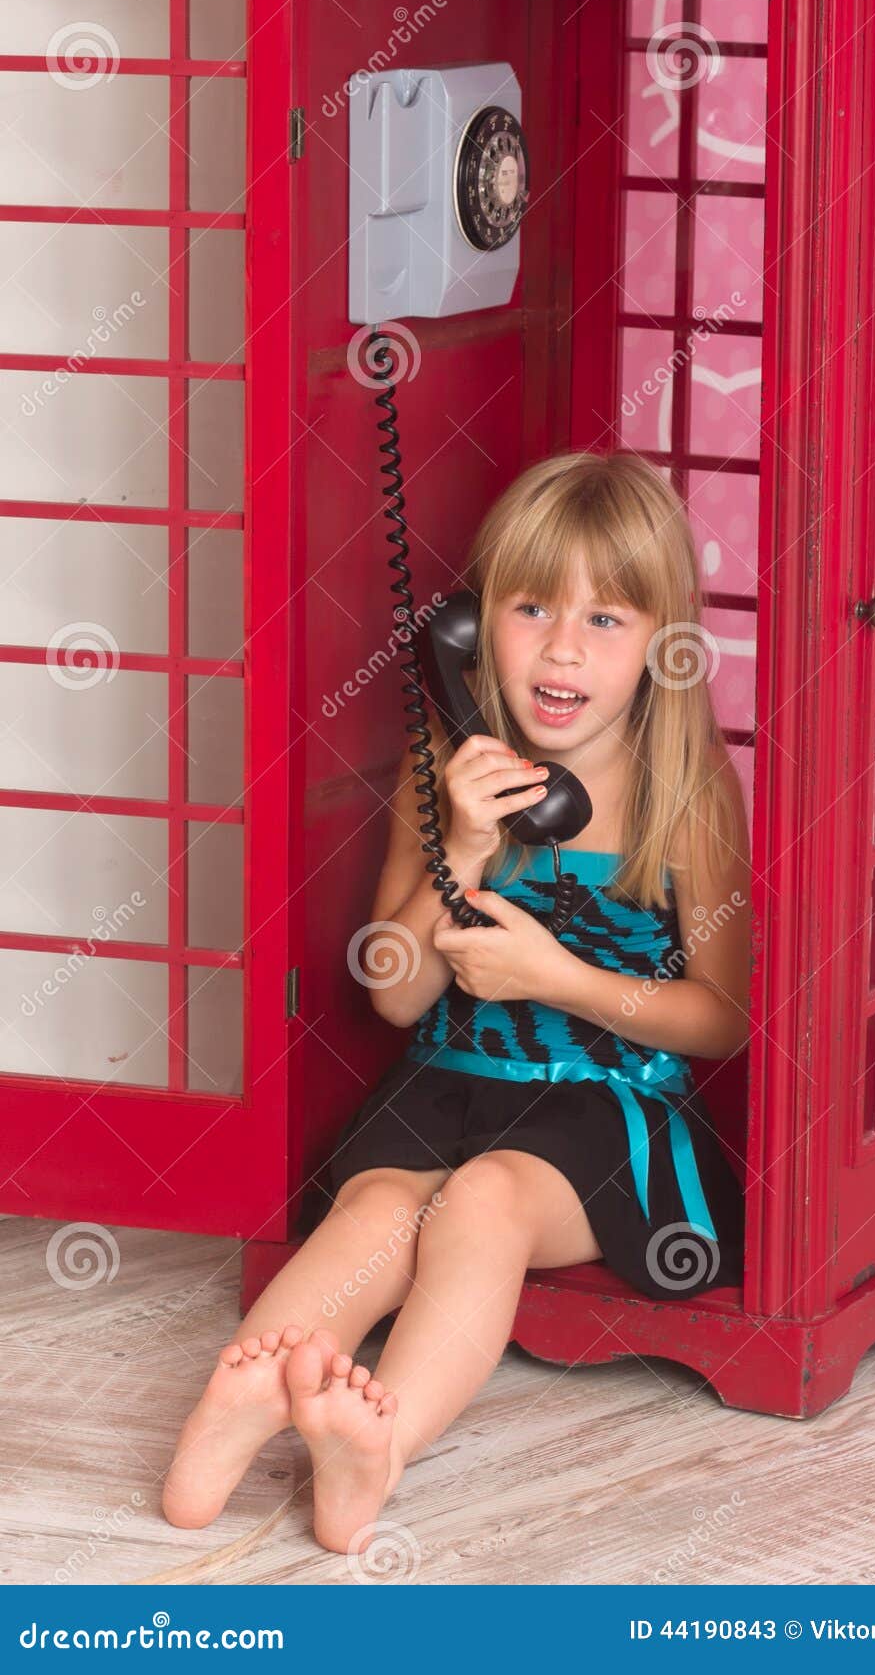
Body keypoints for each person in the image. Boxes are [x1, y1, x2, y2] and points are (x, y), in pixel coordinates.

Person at [162, 449, 751, 1555]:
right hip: (451, 1077)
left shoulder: (689, 796)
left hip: (604, 1110)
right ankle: (235, 1403)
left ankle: (376, 1445)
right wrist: (463, 842)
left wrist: (561, 980)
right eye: (530, 608)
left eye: (607, 619)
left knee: (481, 1202)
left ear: (662, 644)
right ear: (472, 633)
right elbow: (392, 998)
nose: (563, 647)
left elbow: (722, 1016)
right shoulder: (448, 769)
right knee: (379, 1209)